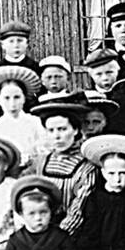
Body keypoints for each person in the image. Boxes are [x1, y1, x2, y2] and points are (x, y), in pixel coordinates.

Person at [32, 94, 98, 235]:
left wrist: (57, 237)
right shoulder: (42, 161)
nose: (57, 136)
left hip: (71, 234)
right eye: (51, 130)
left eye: (62, 129)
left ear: (75, 130)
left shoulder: (86, 166)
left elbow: (79, 206)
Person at [0, 66, 46, 170]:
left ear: (24, 98)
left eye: (17, 97)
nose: (12, 104)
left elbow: (45, 153)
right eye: (6, 98)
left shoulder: (35, 123)